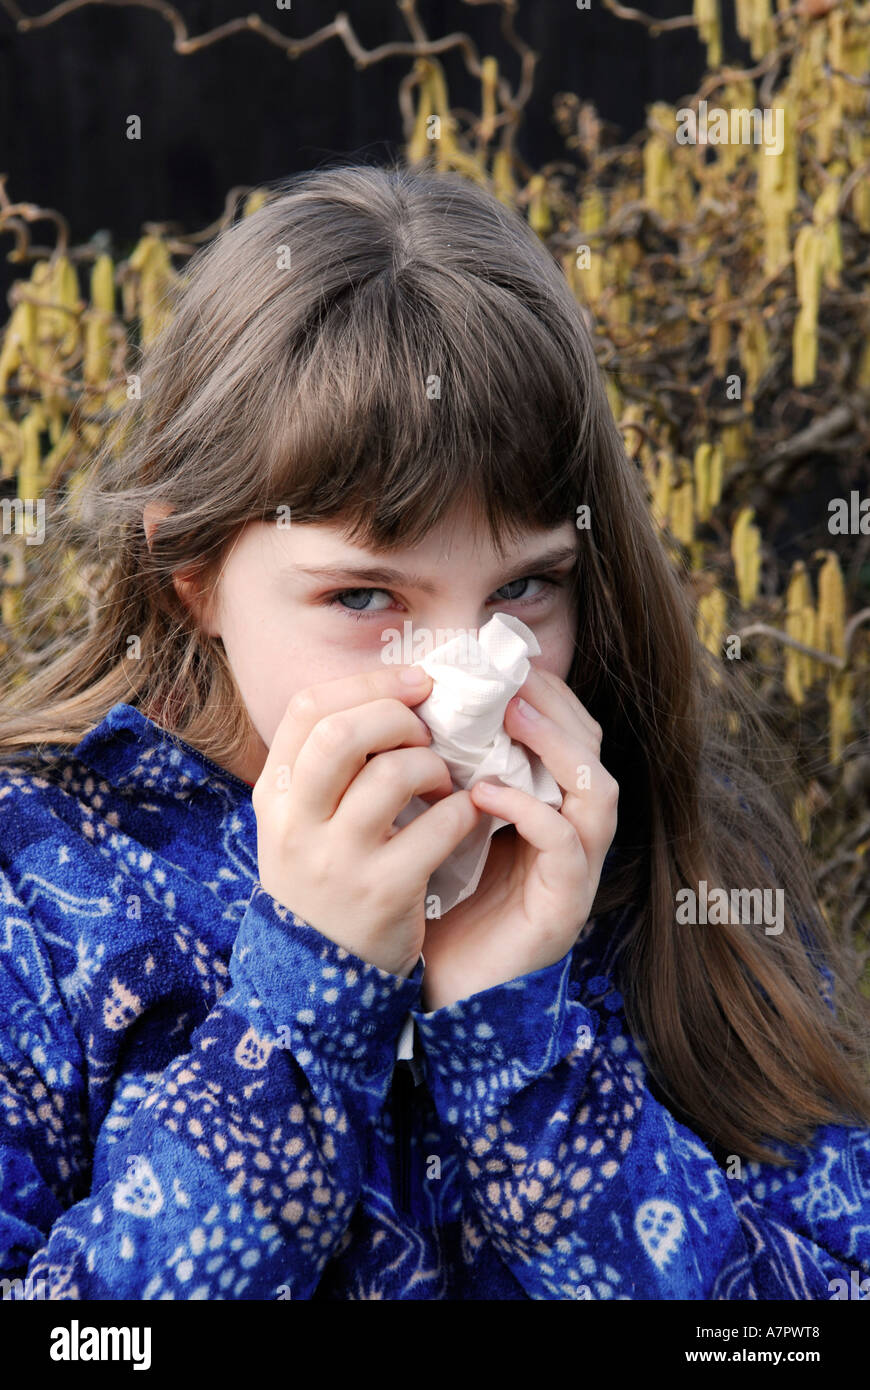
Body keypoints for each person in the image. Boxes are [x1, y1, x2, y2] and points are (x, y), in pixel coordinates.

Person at [1, 161, 868, 1302]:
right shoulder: (42, 883)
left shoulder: (677, 863)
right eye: (365, 598)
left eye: (525, 590)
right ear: (192, 574)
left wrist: (523, 1046)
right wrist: (307, 1008)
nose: (465, 675)